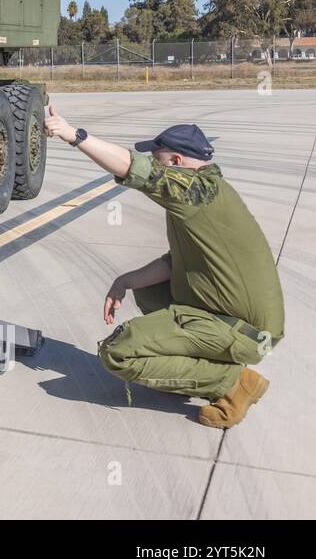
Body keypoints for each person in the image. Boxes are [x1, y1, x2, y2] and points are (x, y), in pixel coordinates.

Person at [42, 107, 284, 428]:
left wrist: (74, 135)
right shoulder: (205, 196)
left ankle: (232, 383)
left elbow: (134, 167)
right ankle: (196, 369)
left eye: (159, 158)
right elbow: (177, 262)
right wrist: (125, 281)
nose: (154, 162)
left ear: (176, 163)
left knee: (118, 354)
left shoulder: (196, 192)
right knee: (148, 290)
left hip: (245, 331)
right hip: (236, 321)